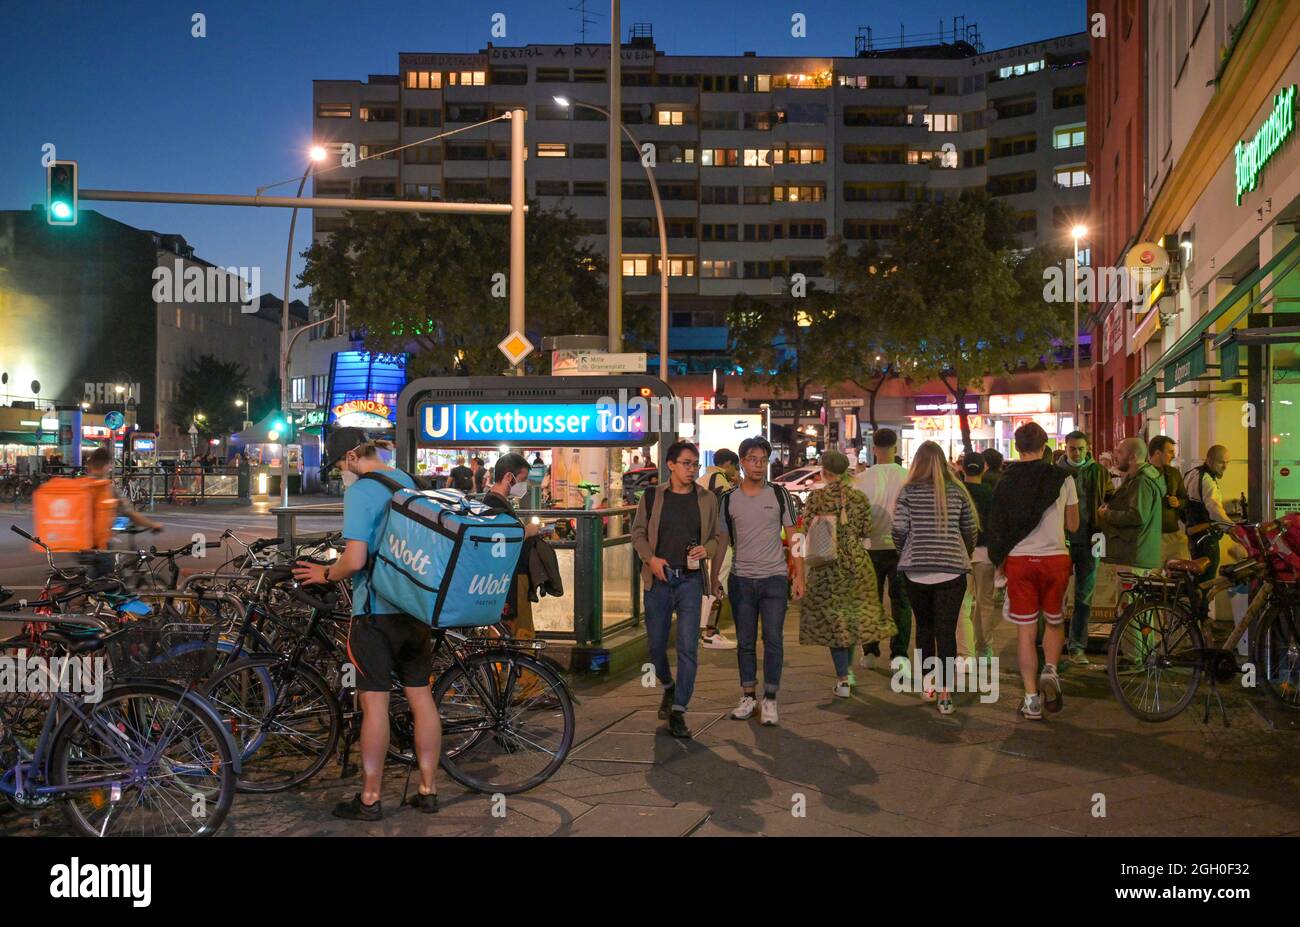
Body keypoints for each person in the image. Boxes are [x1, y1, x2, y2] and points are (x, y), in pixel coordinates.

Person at [292, 428, 441, 820]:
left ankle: (370, 799)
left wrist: (325, 574)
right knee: (420, 697)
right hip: (416, 610)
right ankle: (428, 790)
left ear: (353, 457)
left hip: (376, 613)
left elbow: (355, 560)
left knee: (374, 704)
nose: (342, 471)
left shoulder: (359, 492)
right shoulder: (408, 482)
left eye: (341, 463)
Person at [988, 422, 1078, 721]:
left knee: (1025, 631)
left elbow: (997, 526)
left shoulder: (1005, 481)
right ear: (1045, 445)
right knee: (1054, 621)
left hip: (1020, 560)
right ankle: (1050, 669)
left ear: (1017, 446)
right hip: (1055, 559)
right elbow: (1074, 525)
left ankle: (1031, 700)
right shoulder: (1063, 478)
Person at [630, 440, 719, 739]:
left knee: (687, 647)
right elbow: (638, 533)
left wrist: (706, 549)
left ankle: (679, 710)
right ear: (670, 465)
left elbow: (719, 537)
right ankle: (668, 687)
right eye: (686, 463)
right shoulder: (653, 496)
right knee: (655, 646)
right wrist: (651, 559)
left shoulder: (707, 499)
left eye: (695, 464)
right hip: (658, 580)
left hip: (690, 581)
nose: (692, 469)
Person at [715, 436, 804, 726]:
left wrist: (799, 575)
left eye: (763, 460)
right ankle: (748, 695)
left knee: (774, 638)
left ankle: (770, 698)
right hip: (741, 579)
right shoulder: (728, 499)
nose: (758, 465)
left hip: (775, 578)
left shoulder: (779, 495)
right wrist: (714, 578)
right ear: (741, 462)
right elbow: (722, 540)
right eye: (753, 459)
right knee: (745, 641)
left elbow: (794, 535)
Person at [891, 441, 978, 715]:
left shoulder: (907, 492)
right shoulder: (957, 491)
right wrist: (960, 552)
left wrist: (907, 552)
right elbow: (970, 529)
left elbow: (898, 529)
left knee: (925, 628)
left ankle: (928, 683)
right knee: (947, 631)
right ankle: (945, 693)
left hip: (916, 571)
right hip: (952, 570)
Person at [794, 451, 890, 698]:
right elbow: (866, 529)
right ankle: (848, 672)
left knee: (835, 623)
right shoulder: (859, 497)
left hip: (828, 565)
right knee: (851, 619)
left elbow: (805, 530)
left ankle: (843, 678)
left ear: (824, 472)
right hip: (857, 563)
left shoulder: (816, 497)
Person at [852, 428, 912, 678]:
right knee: (901, 602)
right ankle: (899, 655)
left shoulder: (862, 479)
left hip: (869, 547)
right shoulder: (907, 476)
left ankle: (870, 651)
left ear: (874, 448)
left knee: (869, 601)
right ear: (896, 447)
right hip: (901, 547)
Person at [1056, 430, 1113, 666]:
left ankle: (1077, 647)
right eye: (1072, 448)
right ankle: (1055, 646)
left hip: (1092, 539)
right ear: (1066, 447)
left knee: (1084, 596)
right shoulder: (1056, 473)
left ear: (1088, 448)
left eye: (1081, 448)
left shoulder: (1099, 472)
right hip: (1061, 541)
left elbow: (1110, 497)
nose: (1077, 452)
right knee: (1056, 597)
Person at [479, 453, 542, 638]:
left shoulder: (497, 502)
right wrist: (527, 532)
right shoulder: (493, 503)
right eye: (522, 479)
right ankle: (517, 666)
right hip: (508, 580)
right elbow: (500, 539)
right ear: (509, 477)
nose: (524, 485)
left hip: (508, 577)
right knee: (517, 631)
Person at [1098, 436, 1165, 575]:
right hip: (1133, 552)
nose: (1116, 456)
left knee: (1128, 595)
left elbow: (1138, 516)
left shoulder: (1141, 482)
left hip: (1134, 554)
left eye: (1120, 452)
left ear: (1133, 457)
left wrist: (1107, 514)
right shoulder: (1137, 479)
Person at [699, 448, 740, 649]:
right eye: (736, 466)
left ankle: (705, 631)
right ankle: (709, 631)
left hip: (703, 541)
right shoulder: (720, 480)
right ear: (728, 464)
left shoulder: (704, 478)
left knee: (708, 584)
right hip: (717, 542)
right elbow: (730, 512)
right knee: (716, 585)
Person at [959, 452, 997, 662]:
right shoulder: (990, 494)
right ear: (984, 469)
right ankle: (984, 648)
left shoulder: (956, 493)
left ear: (962, 468)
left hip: (960, 553)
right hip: (985, 554)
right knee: (985, 603)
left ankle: (964, 651)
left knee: (962, 604)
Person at [1185, 445, 1232, 582]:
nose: (1225, 467)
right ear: (1209, 460)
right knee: (1207, 580)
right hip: (1206, 538)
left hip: (1194, 535)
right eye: (1221, 462)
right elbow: (1215, 510)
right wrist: (1231, 528)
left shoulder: (1192, 473)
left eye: (1227, 462)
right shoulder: (1207, 480)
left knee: (1198, 579)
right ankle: (1202, 603)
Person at [1149, 435, 1189, 566]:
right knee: (1153, 578)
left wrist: (1178, 502)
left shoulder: (1174, 473)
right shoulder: (1143, 475)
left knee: (1182, 574)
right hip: (1152, 536)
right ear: (1157, 453)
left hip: (1174, 533)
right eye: (1170, 452)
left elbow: (1185, 500)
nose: (1173, 455)